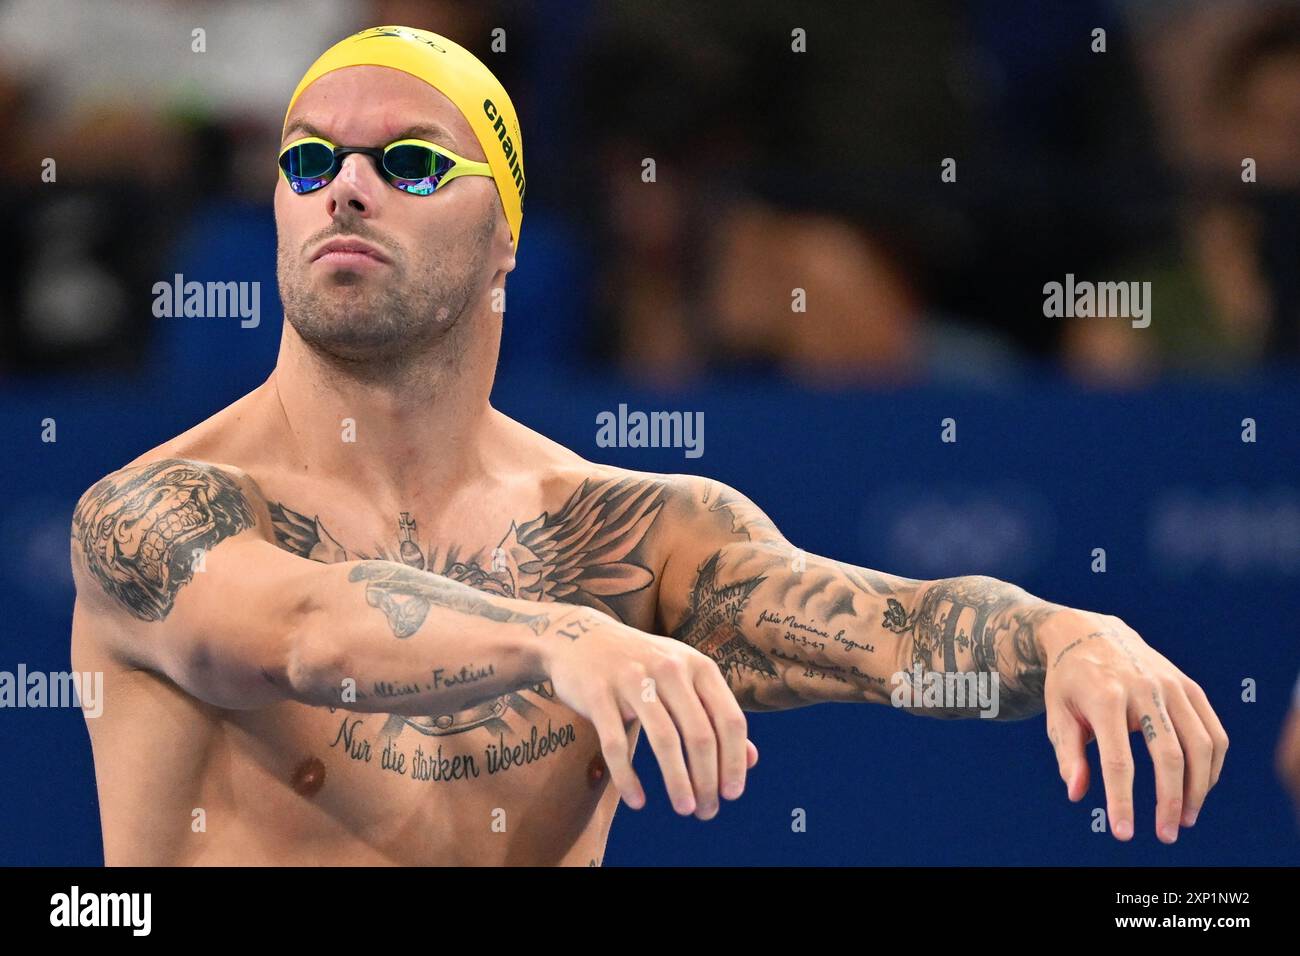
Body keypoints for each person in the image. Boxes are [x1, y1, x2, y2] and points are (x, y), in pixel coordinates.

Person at [70, 26, 1228, 865]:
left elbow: (887, 628)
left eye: (410, 163)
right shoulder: (153, 511)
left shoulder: (633, 533)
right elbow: (299, 629)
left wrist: (1070, 633)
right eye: (308, 161)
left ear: (506, 233)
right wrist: (565, 635)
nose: (347, 190)